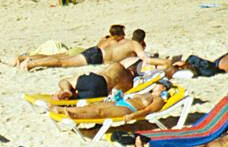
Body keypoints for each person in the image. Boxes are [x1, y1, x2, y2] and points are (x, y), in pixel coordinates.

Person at [14, 25, 147, 71]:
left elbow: (101, 44)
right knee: (63, 62)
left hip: (94, 51)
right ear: (142, 40)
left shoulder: (114, 40)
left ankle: (26, 58)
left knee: (60, 57)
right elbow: (143, 58)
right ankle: (31, 64)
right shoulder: (134, 45)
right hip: (95, 57)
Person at [57, 61, 134, 100]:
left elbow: (100, 72)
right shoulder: (129, 83)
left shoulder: (118, 66)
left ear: (129, 68)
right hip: (101, 92)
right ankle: (75, 94)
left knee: (66, 81)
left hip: (98, 79)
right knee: (79, 97)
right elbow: (115, 93)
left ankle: (67, 90)